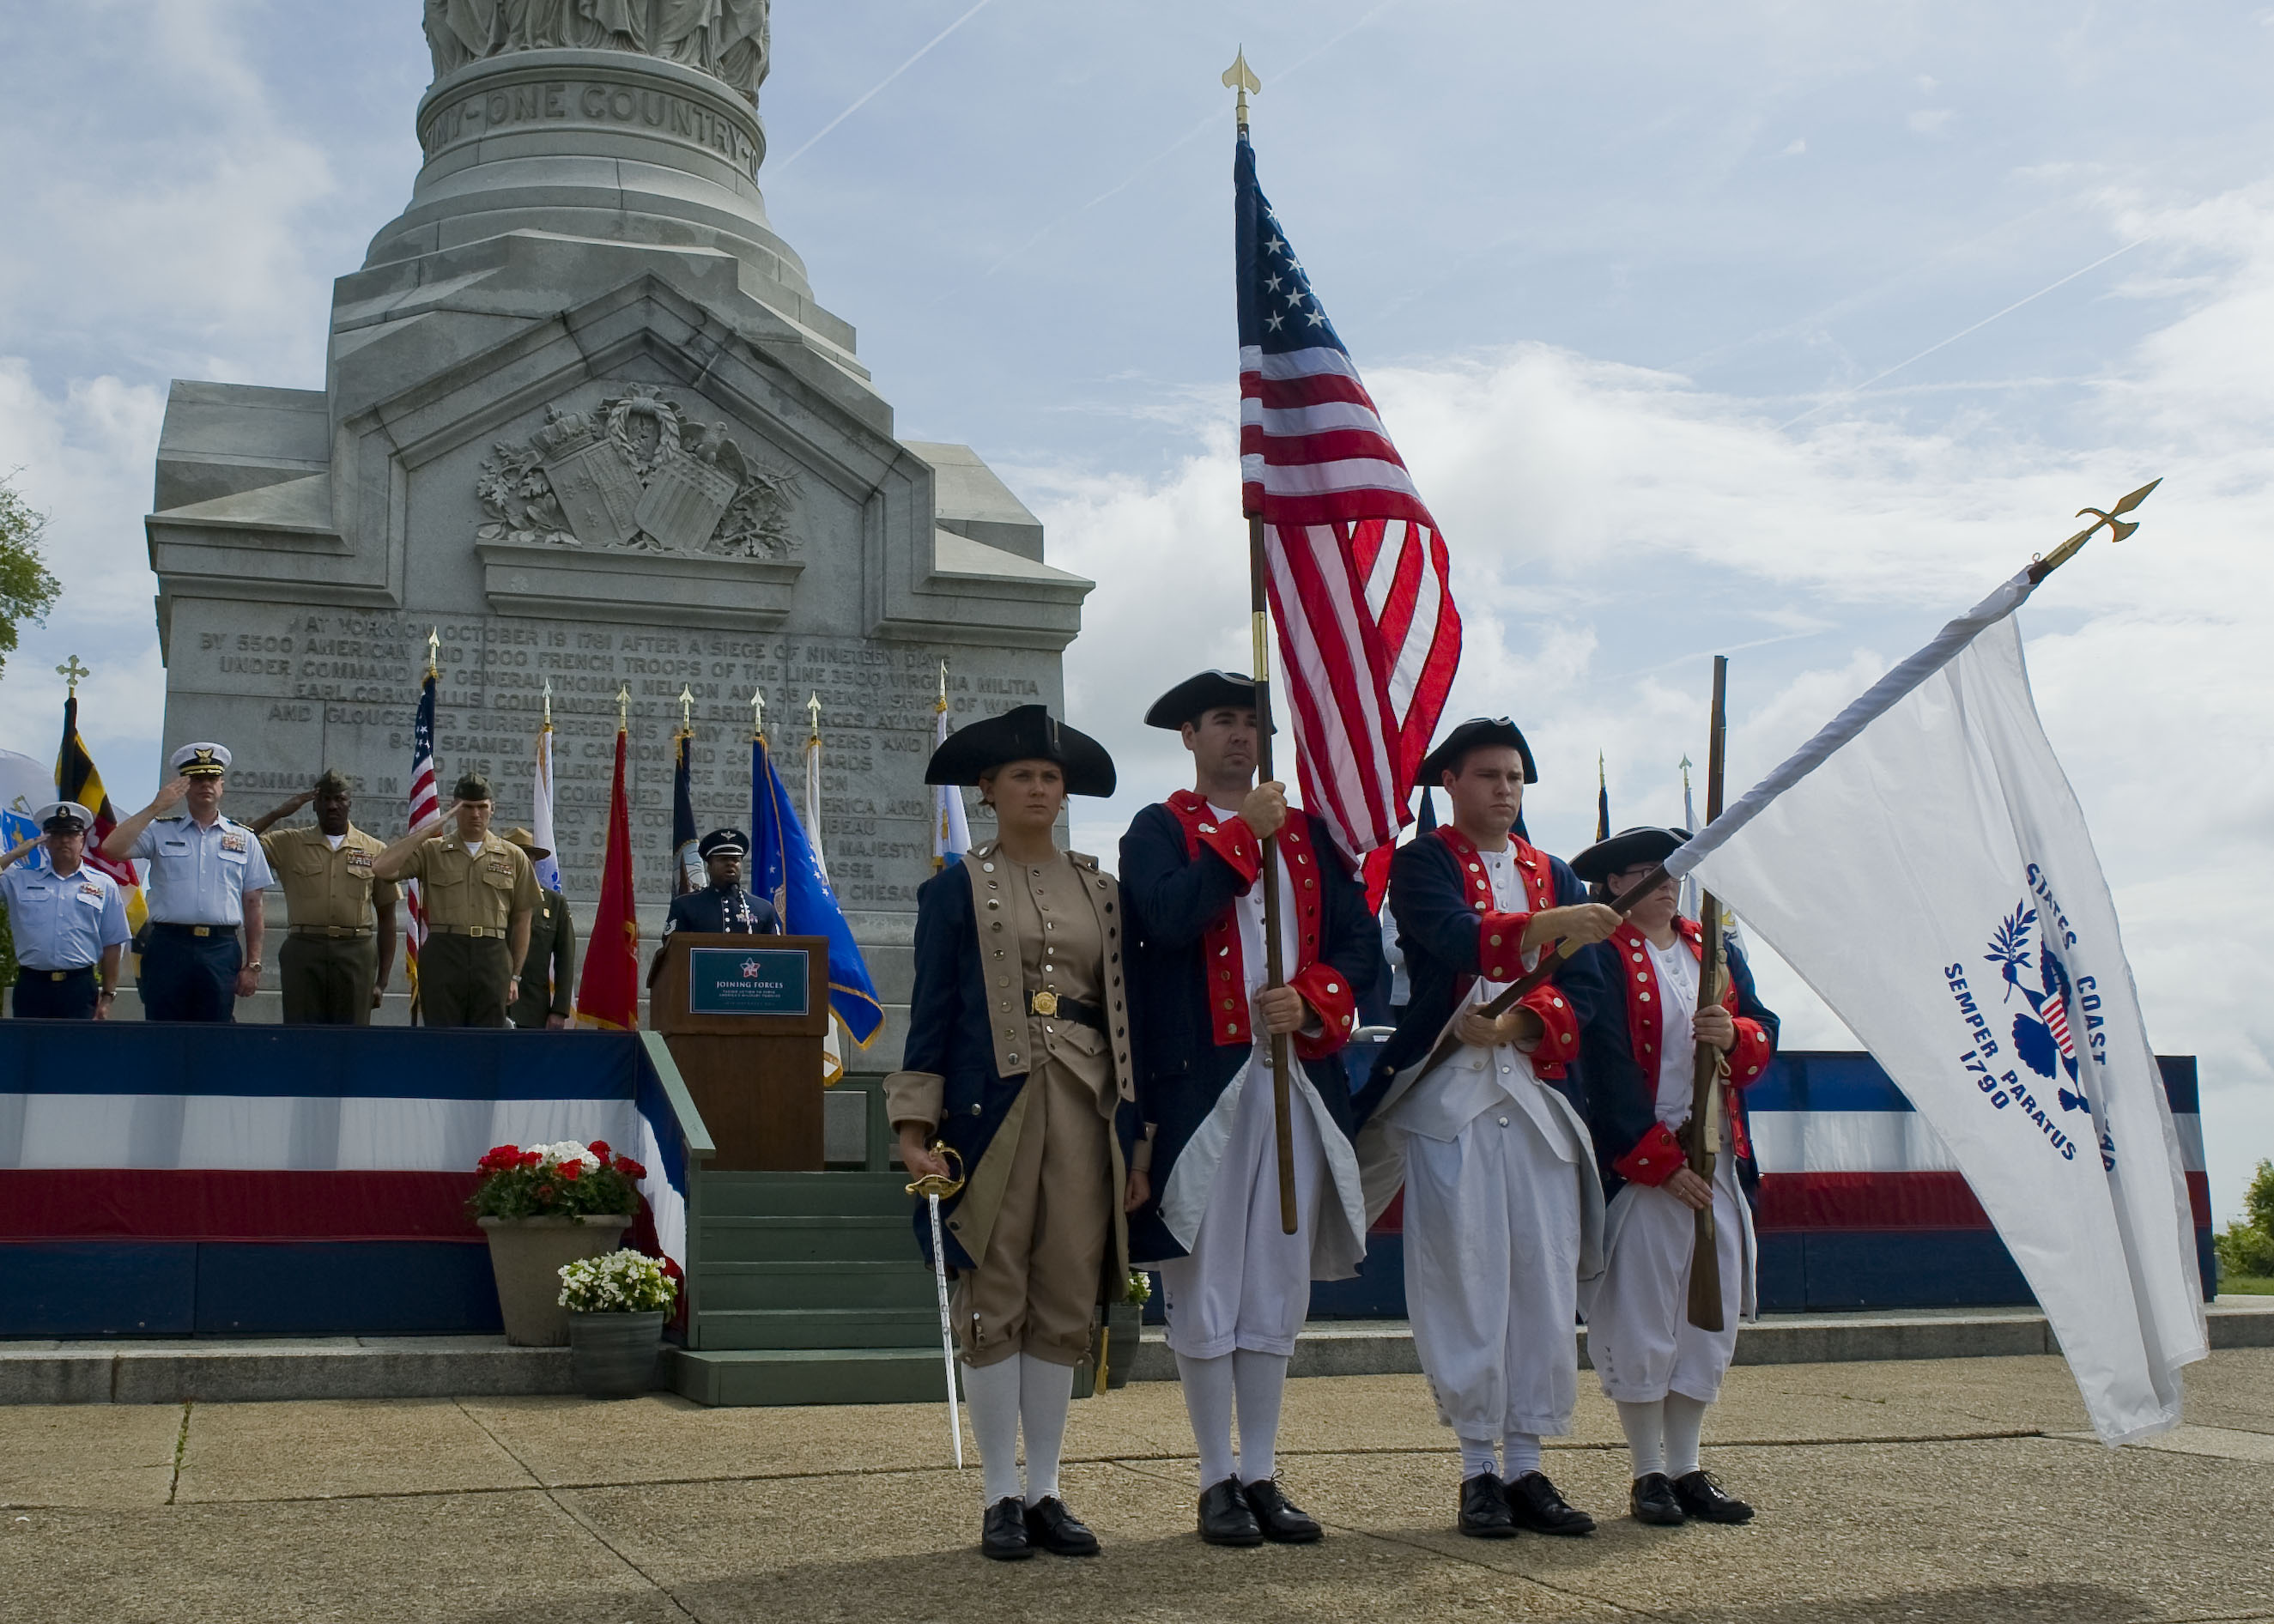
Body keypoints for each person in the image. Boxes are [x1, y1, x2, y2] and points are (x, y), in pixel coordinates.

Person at [1119, 670, 1383, 1547]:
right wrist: (1240, 838)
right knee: (1206, 1282)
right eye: (1224, 720)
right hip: (1201, 1083)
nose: (1241, 735)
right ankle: (1213, 1478)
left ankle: (1262, 1469)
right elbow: (1160, 919)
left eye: (1253, 721)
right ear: (1189, 734)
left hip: (1295, 1078)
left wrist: (1312, 999)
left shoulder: (1313, 837)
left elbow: (1357, 947)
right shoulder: (1160, 828)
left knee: (1275, 1279)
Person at [1352, 718, 1621, 1541]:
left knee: (1538, 1281)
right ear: (1449, 784)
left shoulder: (1560, 873)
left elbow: (1592, 993)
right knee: (1463, 1275)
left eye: (1513, 778)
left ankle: (1527, 1465)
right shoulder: (1422, 861)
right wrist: (1556, 929)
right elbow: (1454, 937)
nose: (1504, 791)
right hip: (1448, 1100)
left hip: (1535, 1102)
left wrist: (1524, 1025)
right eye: (1487, 776)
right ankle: (1476, 1468)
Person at [885, 704, 1140, 1563]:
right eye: (1023, 775)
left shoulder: (1103, 890)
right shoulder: (953, 888)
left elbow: (1121, 1015)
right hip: (986, 1114)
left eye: (1051, 776)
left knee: (1065, 1292)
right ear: (987, 789)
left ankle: (1048, 1490)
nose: (1039, 787)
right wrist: (915, 1122)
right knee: (994, 1296)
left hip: (1083, 1102)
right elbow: (932, 1013)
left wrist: (1136, 1133)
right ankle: (1000, 1492)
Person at [1569, 826, 1777, 1528]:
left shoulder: (1711, 949)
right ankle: (1646, 1471)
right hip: (1643, 1163)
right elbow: (1602, 1064)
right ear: (1616, 884)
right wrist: (1655, 1160)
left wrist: (1735, 1036)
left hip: (1716, 1155)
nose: (1667, 882)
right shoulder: (1599, 954)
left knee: (1703, 1317)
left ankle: (1687, 1465)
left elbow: (1759, 1030)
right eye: (1650, 871)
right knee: (1640, 1315)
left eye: (1675, 871)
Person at [103, 743, 273, 1022]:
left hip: (220, 948)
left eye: (211, 778)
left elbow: (254, 904)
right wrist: (156, 806)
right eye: (196, 779)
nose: (205, 785)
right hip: (168, 946)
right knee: (163, 1032)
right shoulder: (160, 830)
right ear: (184, 786)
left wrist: (253, 964)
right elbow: (111, 848)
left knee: (215, 1036)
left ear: (222, 785)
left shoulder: (244, 839)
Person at [371, 773, 539, 1028]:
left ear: (492, 809)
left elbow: (522, 919)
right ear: (454, 808)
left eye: (482, 807)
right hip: (444, 952)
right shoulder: (432, 850)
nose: (475, 814)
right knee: (442, 1037)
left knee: (488, 1041)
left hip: (491, 954)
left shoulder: (513, 856)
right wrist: (433, 826)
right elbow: (382, 868)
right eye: (467, 807)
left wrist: (515, 975)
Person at [247, 770, 399, 1025]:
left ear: (350, 803)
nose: (332, 806)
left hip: (356, 952)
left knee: (351, 1040)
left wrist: (382, 982)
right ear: (314, 805)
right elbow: (238, 842)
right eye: (325, 799)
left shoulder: (375, 850)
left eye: (339, 799)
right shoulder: (288, 843)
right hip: (304, 950)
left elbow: (388, 919)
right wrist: (279, 813)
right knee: (302, 1036)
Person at [0, 802, 131, 1019]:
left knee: (75, 1051)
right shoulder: (19, 880)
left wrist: (108, 995)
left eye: (71, 834)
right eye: (56, 834)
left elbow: (113, 942)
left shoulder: (103, 884)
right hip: (32, 986)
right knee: (32, 1051)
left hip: (78, 987)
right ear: (46, 842)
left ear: (82, 840)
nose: (64, 841)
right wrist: (14, 855)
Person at [648, 827, 779, 985]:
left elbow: (775, 956)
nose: (731, 864)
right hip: (700, 987)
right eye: (723, 859)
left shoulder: (763, 909)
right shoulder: (686, 905)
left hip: (749, 989)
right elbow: (671, 952)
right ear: (709, 867)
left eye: (736, 860)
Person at [505, 827, 578, 1029]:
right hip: (490, 1006)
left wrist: (560, 1010)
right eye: (514, 857)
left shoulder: (554, 904)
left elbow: (565, 960)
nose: (522, 865)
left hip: (533, 1010)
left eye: (527, 858)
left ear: (534, 862)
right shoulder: (490, 898)